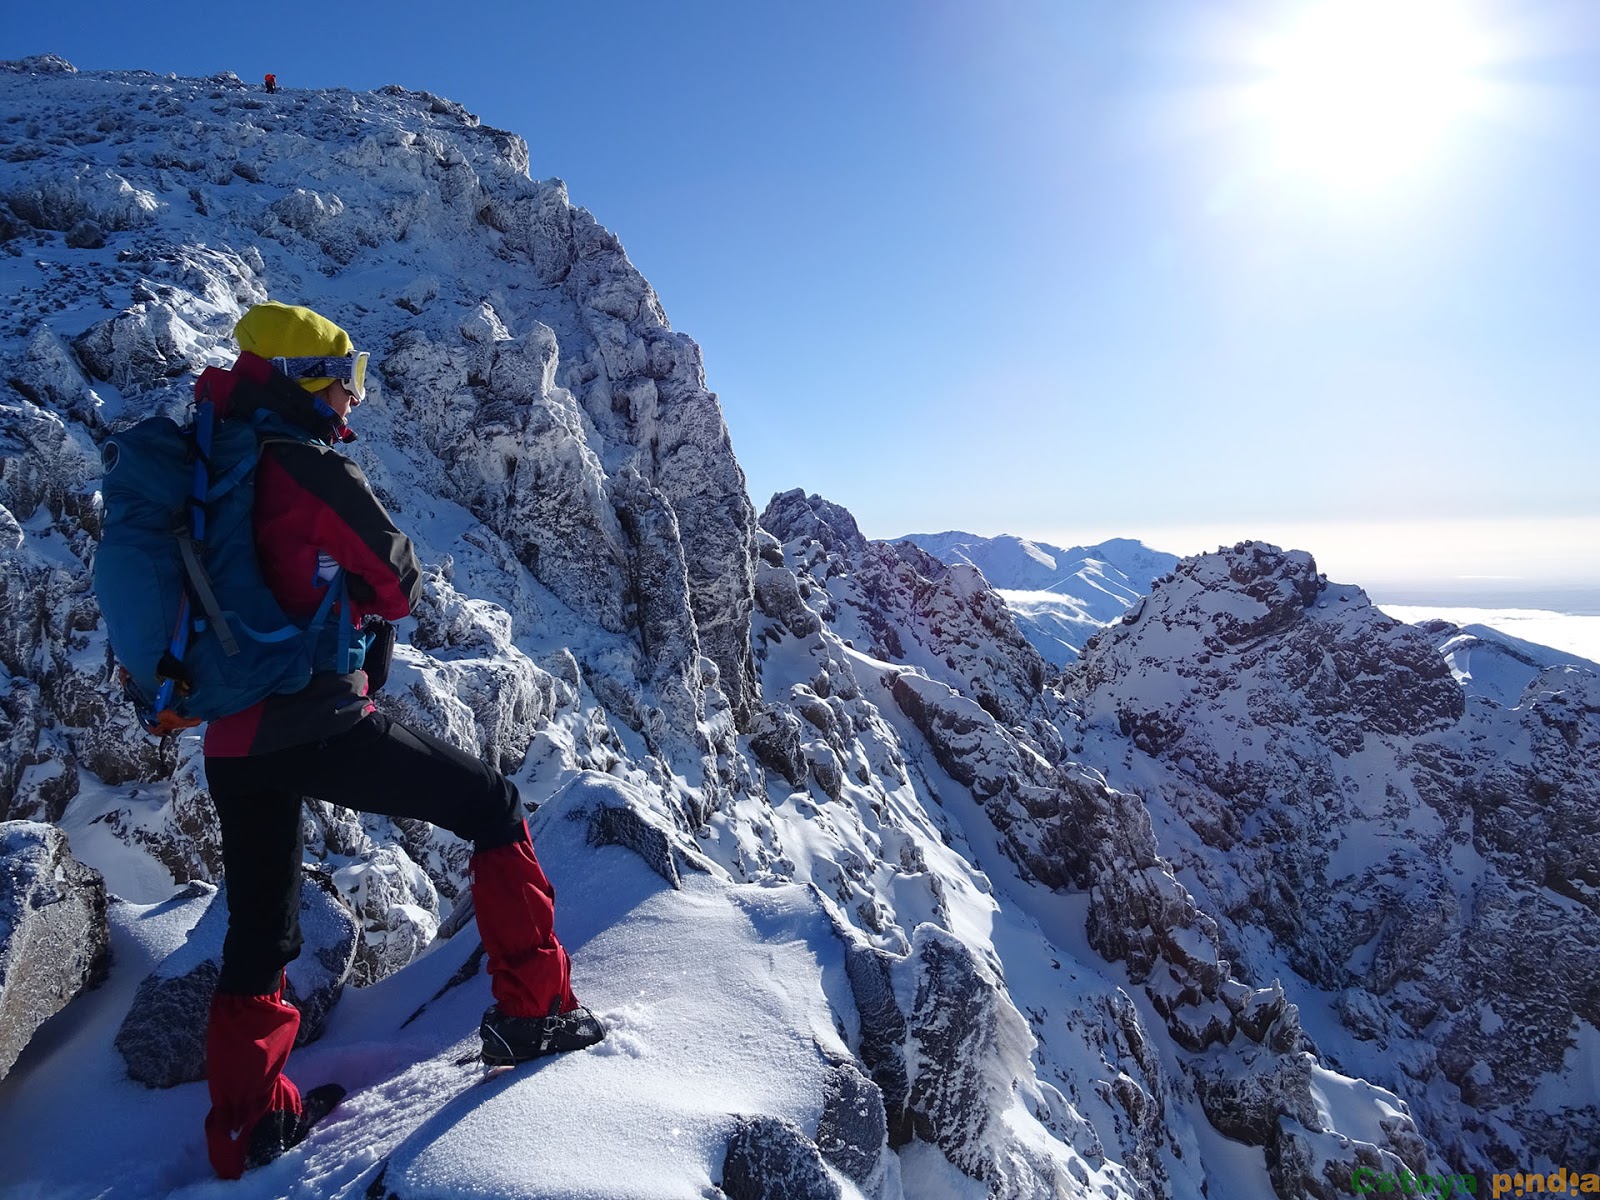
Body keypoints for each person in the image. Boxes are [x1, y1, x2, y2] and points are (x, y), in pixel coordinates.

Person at [198, 302, 604, 1179]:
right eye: (346, 380)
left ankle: (246, 1125)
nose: (352, 400)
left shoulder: (211, 466)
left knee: (258, 932)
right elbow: (398, 577)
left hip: (231, 738)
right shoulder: (306, 470)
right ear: (308, 381)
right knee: (491, 803)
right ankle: (534, 1011)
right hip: (315, 723)